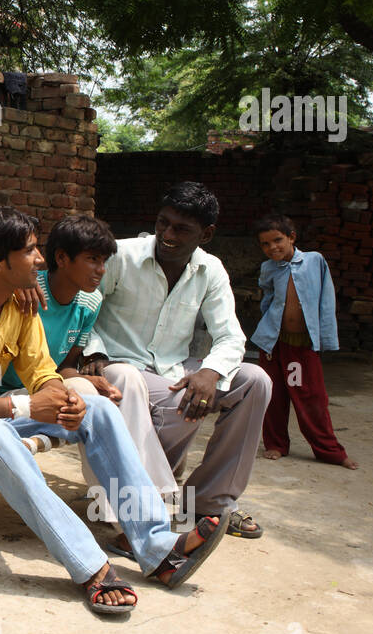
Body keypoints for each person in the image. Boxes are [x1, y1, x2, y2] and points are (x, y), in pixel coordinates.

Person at [0, 206, 230, 617]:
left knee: (96, 407)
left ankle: (157, 548)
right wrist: (24, 404)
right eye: (29, 251)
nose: (40, 259)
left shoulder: (18, 307)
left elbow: (40, 368)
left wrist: (63, 396)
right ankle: (90, 566)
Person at [80, 182, 272, 542]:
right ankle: (141, 507)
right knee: (180, 400)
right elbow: (82, 308)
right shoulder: (120, 255)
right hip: (121, 368)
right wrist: (93, 349)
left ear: (207, 233)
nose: (167, 234)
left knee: (255, 381)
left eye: (181, 229)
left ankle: (207, 502)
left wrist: (211, 371)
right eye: (162, 223)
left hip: (173, 369)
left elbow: (230, 335)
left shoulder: (210, 270)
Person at [252, 214, 358, 469]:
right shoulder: (268, 268)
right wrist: (265, 339)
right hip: (273, 343)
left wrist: (324, 339)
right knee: (274, 395)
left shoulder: (314, 261)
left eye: (277, 240)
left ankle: (330, 450)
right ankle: (276, 444)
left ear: (292, 237)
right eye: (265, 244)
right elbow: (267, 302)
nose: (272, 248)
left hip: (302, 344)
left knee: (311, 398)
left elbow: (326, 300)